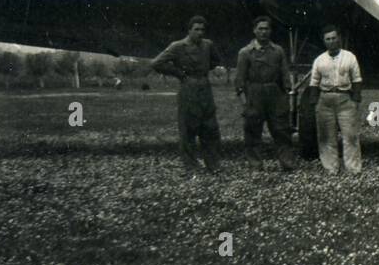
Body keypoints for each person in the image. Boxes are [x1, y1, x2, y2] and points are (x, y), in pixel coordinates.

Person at [151, 15, 223, 174]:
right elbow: (156, 63)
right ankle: (191, 166)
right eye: (196, 29)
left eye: (202, 30)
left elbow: (216, 61)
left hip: (205, 86)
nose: (200, 33)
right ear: (189, 30)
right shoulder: (177, 46)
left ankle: (213, 164)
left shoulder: (208, 45)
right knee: (188, 128)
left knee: (210, 127)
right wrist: (179, 73)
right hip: (188, 87)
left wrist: (204, 70)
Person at [234, 16, 296, 171]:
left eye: (266, 28)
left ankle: (287, 163)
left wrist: (286, 94)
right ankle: (255, 164)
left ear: (271, 31)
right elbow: (240, 80)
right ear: (254, 30)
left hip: (275, 94)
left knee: (282, 130)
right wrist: (245, 104)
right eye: (260, 29)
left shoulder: (278, 51)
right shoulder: (245, 53)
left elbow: (284, 74)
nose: (263, 32)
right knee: (253, 131)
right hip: (254, 94)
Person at [306, 25, 363, 174]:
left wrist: (356, 100)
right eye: (328, 39)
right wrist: (314, 103)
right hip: (325, 99)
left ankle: (353, 168)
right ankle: (330, 167)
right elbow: (314, 82)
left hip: (345, 98)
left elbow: (356, 79)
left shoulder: (350, 57)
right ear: (324, 41)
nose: (331, 41)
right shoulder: (319, 60)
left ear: (339, 39)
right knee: (326, 136)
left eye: (334, 38)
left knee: (350, 135)